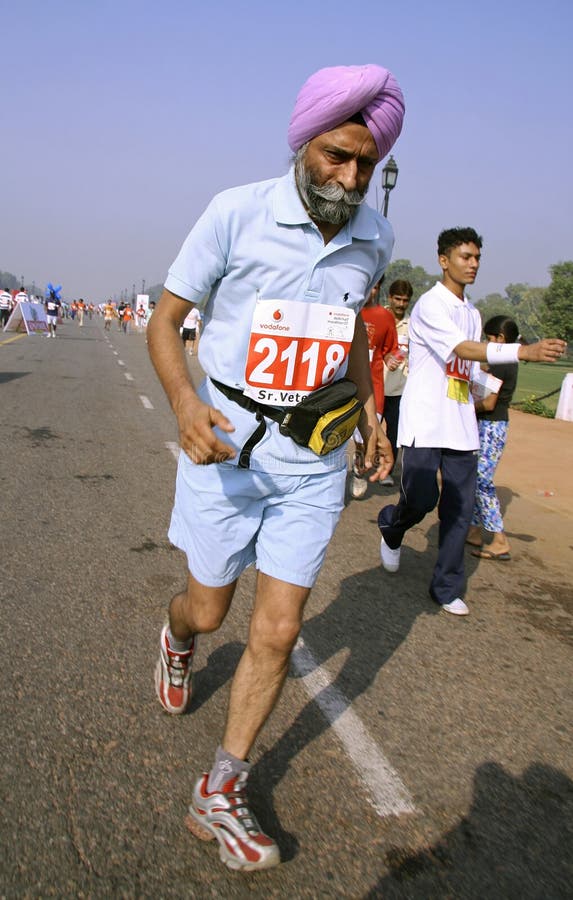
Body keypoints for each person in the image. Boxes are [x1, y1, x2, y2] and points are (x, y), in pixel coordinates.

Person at [147, 63, 405, 872]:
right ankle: (176, 633)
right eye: (337, 156)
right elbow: (164, 322)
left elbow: (352, 333)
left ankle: (219, 789)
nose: (351, 177)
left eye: (365, 164)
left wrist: (368, 414)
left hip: (313, 460)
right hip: (226, 451)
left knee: (280, 627)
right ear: (304, 143)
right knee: (211, 609)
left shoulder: (375, 236)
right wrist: (187, 409)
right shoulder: (235, 213)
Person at [377, 227, 566, 617]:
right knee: (421, 499)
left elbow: (465, 362)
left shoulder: (473, 312)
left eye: (477, 257)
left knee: (460, 507)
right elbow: (461, 348)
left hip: (461, 423)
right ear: (444, 260)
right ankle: (392, 526)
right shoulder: (431, 305)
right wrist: (523, 351)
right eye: (466, 257)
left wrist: (485, 384)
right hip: (426, 421)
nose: (474, 264)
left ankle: (446, 587)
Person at [466, 316, 521, 560]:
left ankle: (499, 539)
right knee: (478, 478)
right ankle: (475, 529)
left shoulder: (502, 364)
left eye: (489, 339)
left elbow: (488, 403)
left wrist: (464, 407)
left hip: (491, 426)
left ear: (500, 339)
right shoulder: (506, 363)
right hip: (493, 425)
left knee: (481, 482)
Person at [349, 278, 398, 498]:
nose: (372, 290)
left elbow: (390, 349)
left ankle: (359, 470)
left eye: (377, 286)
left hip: (372, 387)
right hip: (343, 385)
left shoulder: (385, 317)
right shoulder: (348, 309)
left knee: (366, 435)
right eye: (370, 284)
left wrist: (391, 359)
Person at [381, 279, 413, 479]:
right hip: (375, 385)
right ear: (389, 298)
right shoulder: (379, 317)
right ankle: (360, 468)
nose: (401, 304)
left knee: (394, 433)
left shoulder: (413, 325)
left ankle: (387, 471)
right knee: (365, 429)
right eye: (398, 299)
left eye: (405, 300)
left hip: (399, 389)